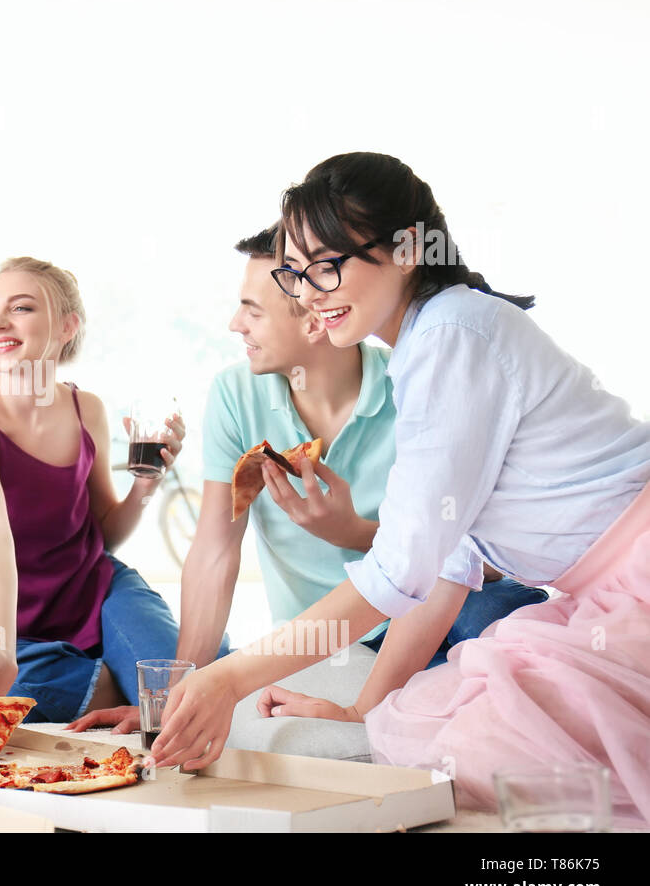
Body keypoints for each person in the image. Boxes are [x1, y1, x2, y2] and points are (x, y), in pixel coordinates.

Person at [151, 153, 650, 827]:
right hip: (608, 593)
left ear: (408, 249)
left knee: (509, 743)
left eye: (328, 266)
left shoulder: (451, 333)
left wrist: (231, 676)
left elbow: (400, 569)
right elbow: (445, 566)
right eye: (295, 275)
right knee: (420, 723)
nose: (309, 293)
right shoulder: (429, 343)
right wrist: (364, 711)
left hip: (634, 582)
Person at [70, 224, 545, 736]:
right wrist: (178, 694)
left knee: (504, 625)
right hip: (331, 635)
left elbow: (478, 561)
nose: (235, 324)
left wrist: (353, 532)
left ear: (318, 319)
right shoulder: (236, 396)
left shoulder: (418, 382)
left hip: (444, 610)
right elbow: (215, 553)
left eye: (253, 310)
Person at [0, 256, 184, 723]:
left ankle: (146, 684)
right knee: (4, 699)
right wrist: (0, 650)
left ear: (67, 326)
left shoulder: (87, 408)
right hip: (3, 627)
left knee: (174, 682)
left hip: (96, 590)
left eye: (20, 308)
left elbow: (104, 534)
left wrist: (146, 483)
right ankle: (133, 685)